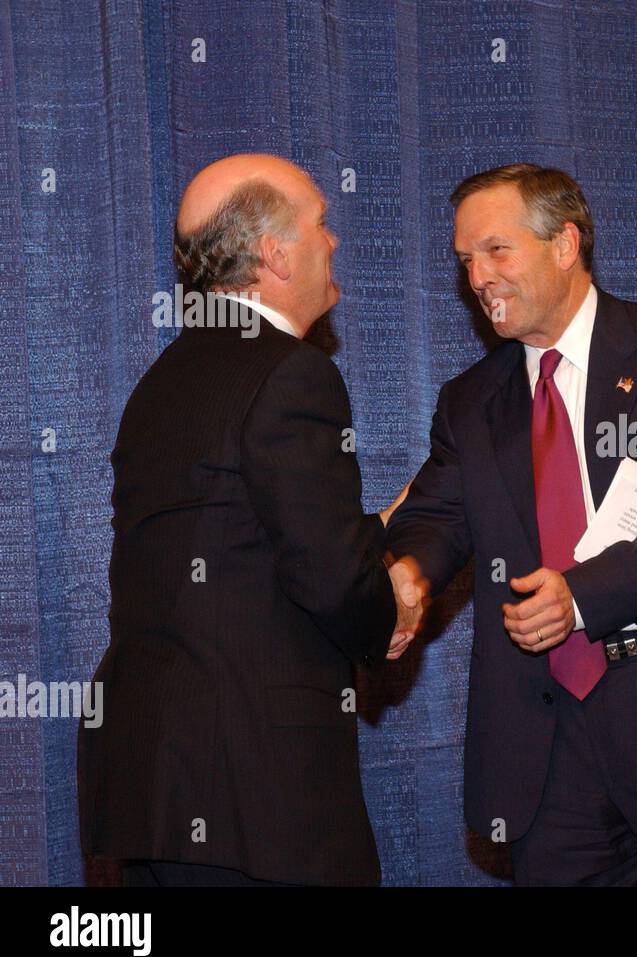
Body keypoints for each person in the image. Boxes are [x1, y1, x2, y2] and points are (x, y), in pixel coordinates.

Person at [385, 164, 637, 885]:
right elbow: (439, 517)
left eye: (496, 251)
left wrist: (578, 596)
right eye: (465, 260)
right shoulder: (470, 401)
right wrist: (408, 576)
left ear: (565, 244)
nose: (477, 277)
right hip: (549, 737)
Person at [79, 153, 415, 887]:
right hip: (253, 801)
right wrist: (391, 600)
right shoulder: (292, 374)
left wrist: (366, 540)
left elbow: (243, 556)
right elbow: (329, 580)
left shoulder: (160, 385)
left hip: (149, 793)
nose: (333, 242)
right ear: (274, 254)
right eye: (321, 224)